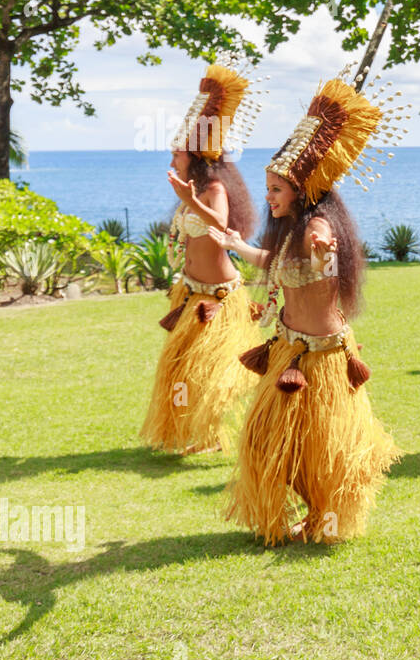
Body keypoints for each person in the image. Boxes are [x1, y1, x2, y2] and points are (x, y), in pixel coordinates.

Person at [212, 73, 404, 544]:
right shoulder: (291, 229)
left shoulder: (319, 229)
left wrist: (323, 247)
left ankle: (322, 517)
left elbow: (322, 263)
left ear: (301, 190)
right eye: (269, 188)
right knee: (263, 439)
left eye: (277, 190)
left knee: (322, 450)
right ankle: (306, 514)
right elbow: (279, 265)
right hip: (286, 352)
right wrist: (237, 244)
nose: (269, 198)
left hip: (323, 361)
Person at [140, 59, 263, 454]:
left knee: (207, 369)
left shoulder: (212, 188)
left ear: (193, 156)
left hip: (220, 297)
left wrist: (191, 200)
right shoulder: (190, 187)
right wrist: (185, 198)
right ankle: (187, 432)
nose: (171, 160)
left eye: (175, 154)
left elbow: (224, 228)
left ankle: (210, 436)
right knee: (178, 366)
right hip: (191, 294)